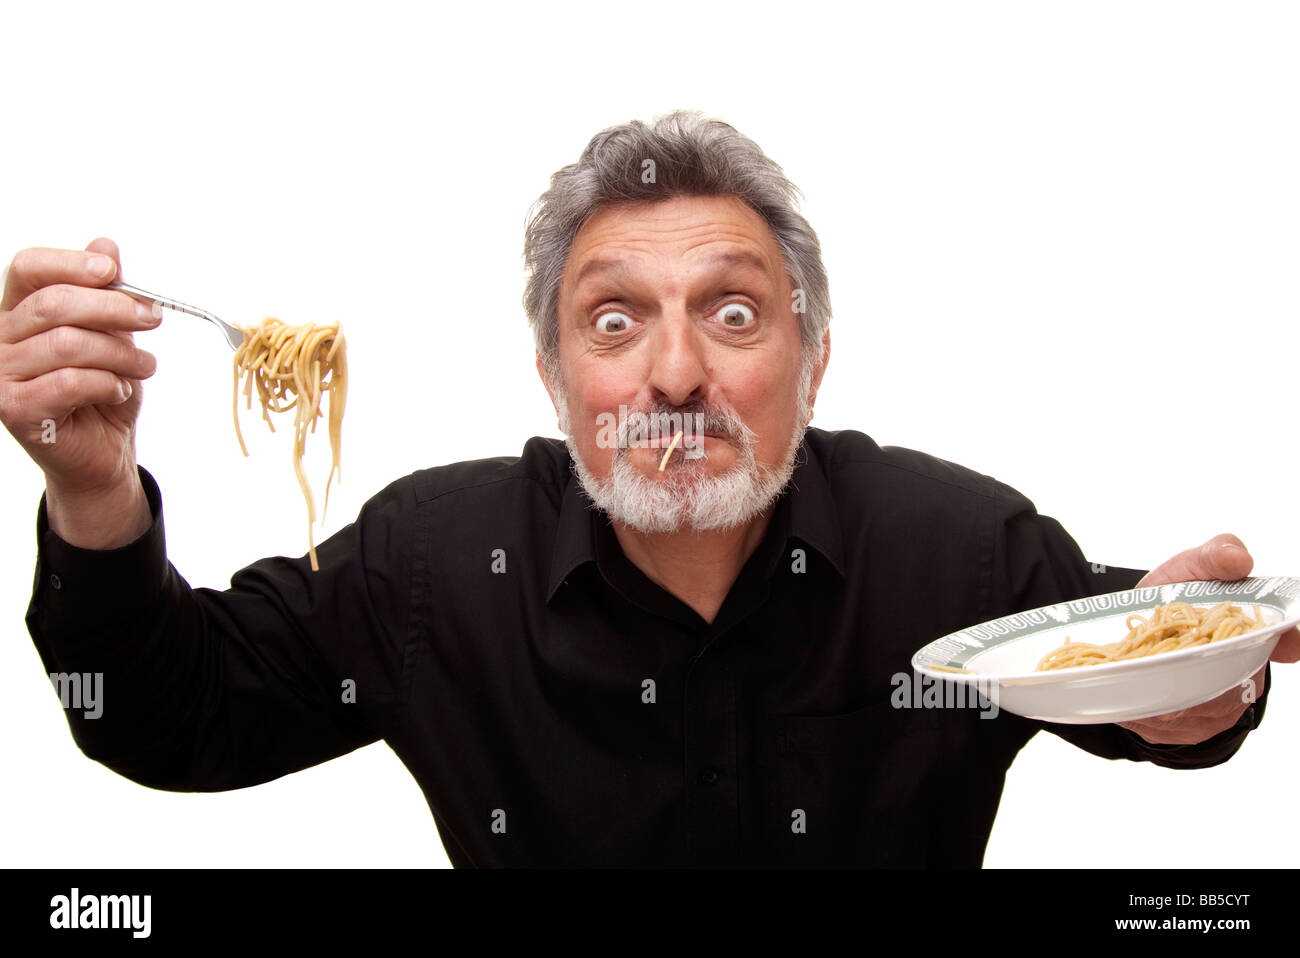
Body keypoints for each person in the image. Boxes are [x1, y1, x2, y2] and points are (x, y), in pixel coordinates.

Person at [5, 111, 1293, 867]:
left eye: (733, 313)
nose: (676, 376)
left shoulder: (955, 547)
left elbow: (1132, 658)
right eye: (613, 324)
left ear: (817, 355)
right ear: (555, 380)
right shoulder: (431, 568)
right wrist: (94, 488)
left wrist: (1203, 677)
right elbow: (161, 716)